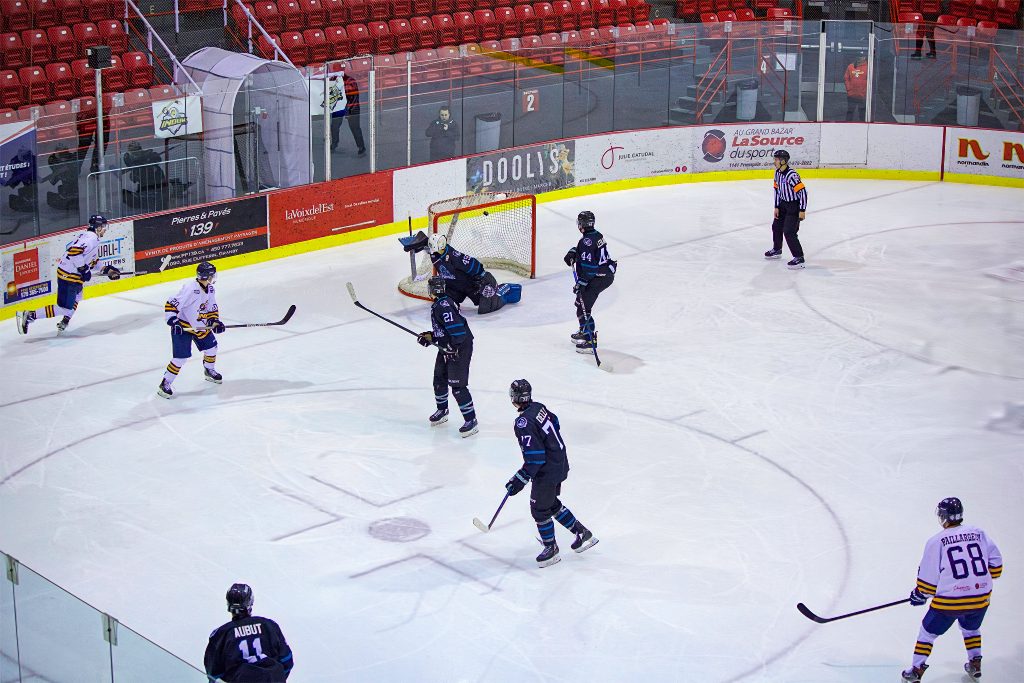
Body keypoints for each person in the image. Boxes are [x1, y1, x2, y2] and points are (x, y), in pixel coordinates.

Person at [901, 497, 1003, 682]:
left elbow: (928, 582)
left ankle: (916, 670)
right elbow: (996, 567)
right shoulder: (979, 533)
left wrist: (920, 594)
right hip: (981, 599)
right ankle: (975, 663)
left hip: (950, 603)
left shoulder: (936, 541)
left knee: (927, 633)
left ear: (943, 516)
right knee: (971, 629)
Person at [505, 379, 598, 568]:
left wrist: (519, 480)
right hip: (560, 462)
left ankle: (551, 549)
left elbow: (536, 458)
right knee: (549, 504)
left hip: (547, 470)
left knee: (539, 510)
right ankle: (582, 533)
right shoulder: (539, 407)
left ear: (514, 398)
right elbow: (555, 422)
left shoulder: (522, 423)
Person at [16, 214, 118, 336]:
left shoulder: (90, 237)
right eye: (103, 226)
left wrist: (108, 270)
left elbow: (93, 261)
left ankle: (66, 320)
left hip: (71, 274)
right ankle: (30, 315)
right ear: (98, 227)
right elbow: (74, 252)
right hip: (69, 276)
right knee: (64, 308)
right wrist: (84, 270)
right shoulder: (91, 239)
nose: (105, 229)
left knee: (78, 297)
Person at [416, 276, 478, 437]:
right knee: (439, 378)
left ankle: (471, 421)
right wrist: (431, 337)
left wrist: (452, 348)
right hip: (449, 346)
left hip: (459, 348)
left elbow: (458, 331)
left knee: (457, 386)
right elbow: (446, 329)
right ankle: (442, 410)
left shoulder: (443, 306)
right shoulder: (442, 302)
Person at [157, 261, 224, 399]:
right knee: (180, 358)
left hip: (200, 326)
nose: (213, 277)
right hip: (183, 327)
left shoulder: (210, 289)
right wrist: (173, 321)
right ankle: (165, 383)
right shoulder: (190, 288)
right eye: (212, 275)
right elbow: (171, 304)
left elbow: (211, 307)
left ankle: (209, 370)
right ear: (207, 276)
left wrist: (214, 321)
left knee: (212, 347)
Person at [204, 583, 294, 682]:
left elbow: (213, 673)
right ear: (250, 602)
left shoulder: (221, 634)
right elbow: (286, 659)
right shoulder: (268, 625)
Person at [425, 234, 521, 315]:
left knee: (489, 306)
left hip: (471, 285)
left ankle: (504, 289)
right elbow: (423, 243)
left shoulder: (454, 257)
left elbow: (475, 266)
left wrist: (484, 281)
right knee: (445, 305)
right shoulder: (434, 254)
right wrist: (413, 243)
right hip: (454, 286)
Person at [563, 210, 616, 354]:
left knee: (583, 306)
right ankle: (584, 331)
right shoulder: (595, 235)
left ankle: (589, 340)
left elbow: (590, 268)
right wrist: (574, 252)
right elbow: (589, 252)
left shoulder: (586, 241)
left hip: (599, 277)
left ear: (581, 224)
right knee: (581, 304)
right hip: (604, 274)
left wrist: (581, 283)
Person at [764, 149, 808, 269]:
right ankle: (777, 249)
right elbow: (776, 191)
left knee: (789, 231)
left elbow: (803, 192)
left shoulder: (792, 175)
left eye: (777, 159)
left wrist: (802, 210)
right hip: (783, 204)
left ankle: (799, 258)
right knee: (776, 226)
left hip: (793, 206)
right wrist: (777, 206)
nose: (775, 161)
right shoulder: (777, 173)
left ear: (783, 161)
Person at [330, 73, 365, 157]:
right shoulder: (332, 80)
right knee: (334, 126)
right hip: (339, 106)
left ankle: (361, 147)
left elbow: (355, 97)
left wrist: (350, 110)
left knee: (355, 128)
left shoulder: (350, 81)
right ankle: (334, 144)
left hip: (351, 106)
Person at [844, 55, 867, 121]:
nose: (861, 58)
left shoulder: (868, 67)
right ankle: (847, 126)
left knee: (862, 113)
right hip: (852, 94)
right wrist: (849, 89)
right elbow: (846, 78)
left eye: (863, 56)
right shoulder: (850, 66)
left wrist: (865, 91)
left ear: (865, 57)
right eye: (859, 56)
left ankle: (863, 127)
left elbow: (870, 80)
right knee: (850, 112)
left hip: (863, 95)